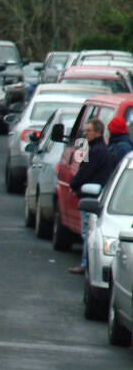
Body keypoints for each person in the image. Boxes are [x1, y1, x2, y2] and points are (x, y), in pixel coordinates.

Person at [67, 117, 112, 275]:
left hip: (91, 196)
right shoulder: (94, 148)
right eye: (84, 130)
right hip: (89, 192)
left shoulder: (97, 151)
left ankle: (86, 264)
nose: (85, 133)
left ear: (98, 132)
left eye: (88, 131)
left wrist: (73, 184)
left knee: (88, 231)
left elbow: (86, 172)